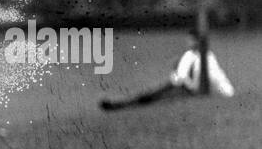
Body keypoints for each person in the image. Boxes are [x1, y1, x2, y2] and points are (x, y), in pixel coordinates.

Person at [100, 36, 235, 109]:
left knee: (157, 98)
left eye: (193, 40)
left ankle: (121, 105)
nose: (190, 43)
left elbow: (214, 76)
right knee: (150, 95)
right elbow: (181, 75)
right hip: (180, 86)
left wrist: (228, 92)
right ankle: (120, 104)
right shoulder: (193, 55)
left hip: (186, 89)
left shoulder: (204, 57)